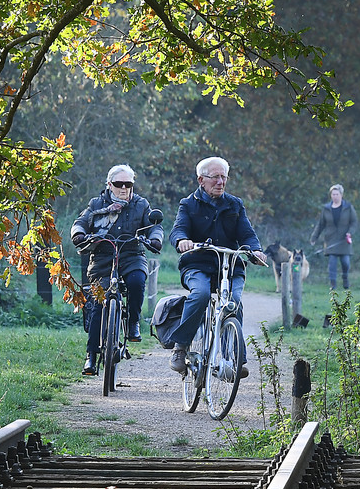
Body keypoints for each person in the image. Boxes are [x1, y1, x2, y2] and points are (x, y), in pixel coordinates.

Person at [166, 155, 267, 377]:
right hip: (197, 265)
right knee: (201, 294)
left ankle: (234, 359)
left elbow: (247, 234)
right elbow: (178, 229)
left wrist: (255, 250)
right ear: (201, 180)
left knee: (233, 302)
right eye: (215, 177)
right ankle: (180, 347)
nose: (220, 182)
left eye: (224, 177)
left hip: (230, 266)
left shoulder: (235, 204)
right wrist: (182, 241)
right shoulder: (188, 204)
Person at [71, 164, 164, 376]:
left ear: (132, 185)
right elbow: (81, 222)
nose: (123, 188)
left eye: (128, 184)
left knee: (137, 281)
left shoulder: (141, 204)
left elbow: (154, 226)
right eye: (119, 184)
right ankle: (91, 356)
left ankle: (133, 322)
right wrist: (79, 234)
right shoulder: (97, 203)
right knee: (97, 304)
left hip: (132, 255)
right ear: (109, 185)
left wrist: (155, 239)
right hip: (103, 257)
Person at [309, 184, 358, 290]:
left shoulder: (348, 207)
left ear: (341, 195)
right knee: (332, 264)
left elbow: (354, 222)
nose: (335, 196)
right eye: (333, 194)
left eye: (337, 194)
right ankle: (333, 285)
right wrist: (314, 237)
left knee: (345, 263)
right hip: (330, 240)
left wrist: (350, 232)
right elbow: (320, 224)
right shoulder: (326, 208)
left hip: (344, 241)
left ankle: (345, 282)